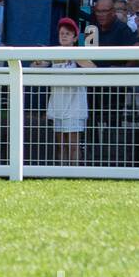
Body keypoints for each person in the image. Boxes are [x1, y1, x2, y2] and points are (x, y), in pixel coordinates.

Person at [33, 17, 94, 166]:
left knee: (74, 145)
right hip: (58, 105)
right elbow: (35, 66)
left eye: (68, 33)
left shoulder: (80, 55)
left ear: (74, 38)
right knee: (60, 144)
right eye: (62, 33)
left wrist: (72, 55)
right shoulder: (53, 54)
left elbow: (93, 68)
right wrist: (38, 59)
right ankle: (62, 174)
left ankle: (75, 174)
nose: (64, 36)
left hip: (75, 106)